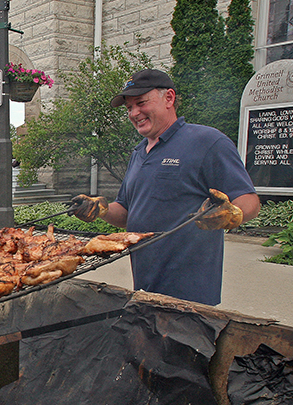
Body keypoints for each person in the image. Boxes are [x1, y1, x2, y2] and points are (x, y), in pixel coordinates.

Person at [67, 69, 260, 305]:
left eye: (141, 103)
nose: (134, 113)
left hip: (190, 291)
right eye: (129, 108)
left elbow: (249, 200)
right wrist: (101, 208)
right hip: (145, 285)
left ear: (169, 98)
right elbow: (127, 213)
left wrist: (233, 214)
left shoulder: (207, 142)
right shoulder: (139, 153)